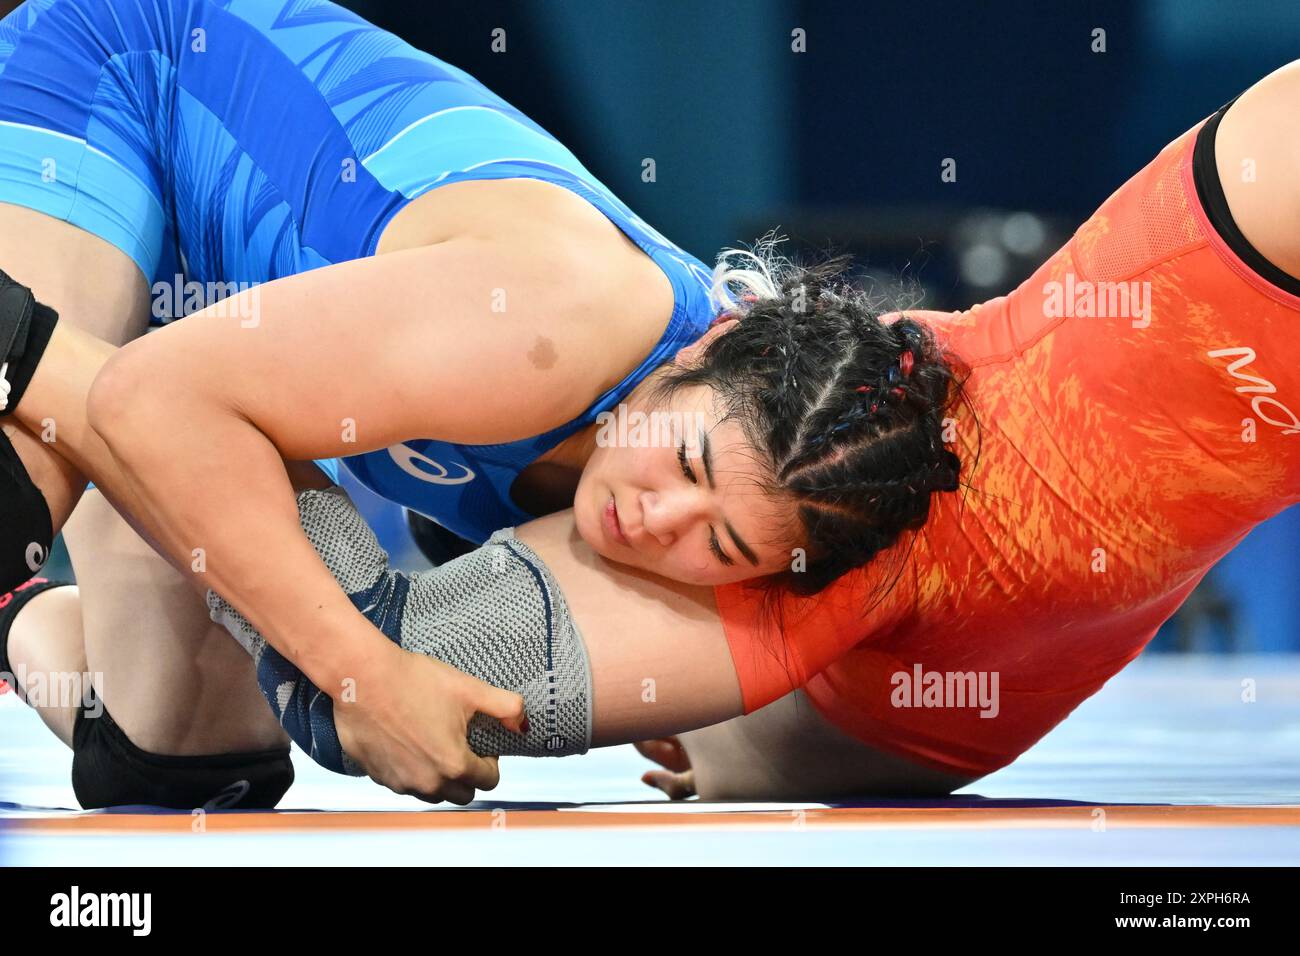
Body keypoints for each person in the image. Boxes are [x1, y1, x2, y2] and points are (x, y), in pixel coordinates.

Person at [0, 0, 965, 806]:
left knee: (177, 773)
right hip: (130, 78)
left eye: (717, 546)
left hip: (217, 350)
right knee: (13, 505)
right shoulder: (556, 316)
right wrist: (362, 676)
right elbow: (152, 399)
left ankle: (19, 613)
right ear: (704, 355)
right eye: (684, 462)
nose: (655, 521)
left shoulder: (710, 463)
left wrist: (723, 731)